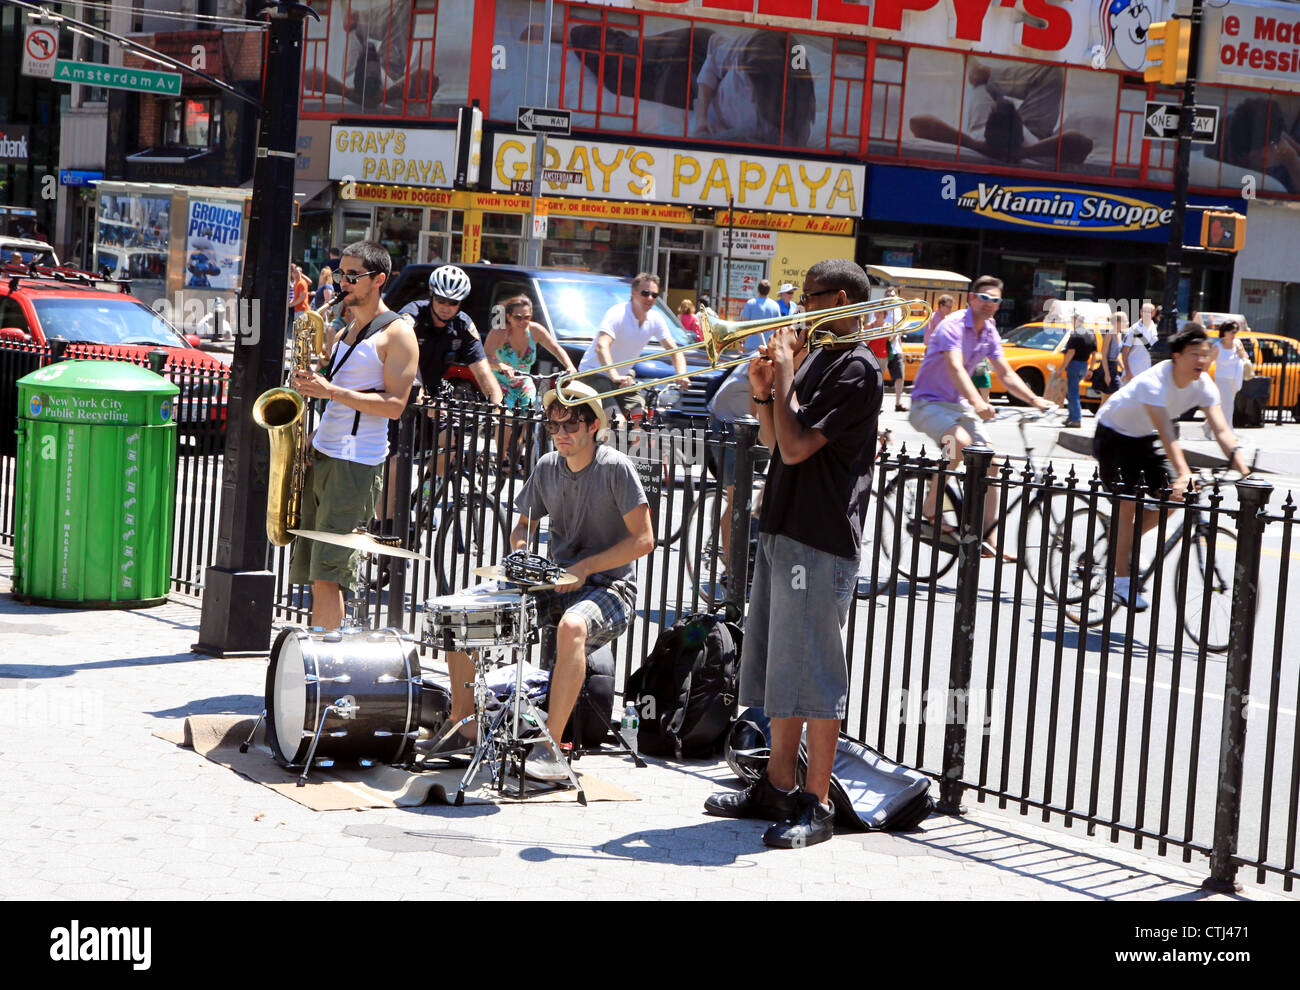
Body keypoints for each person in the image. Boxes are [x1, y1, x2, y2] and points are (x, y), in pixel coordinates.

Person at [702, 259, 881, 849]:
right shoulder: (815, 360)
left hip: (820, 537)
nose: (800, 310)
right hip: (783, 527)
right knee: (781, 666)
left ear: (842, 302)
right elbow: (777, 440)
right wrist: (761, 394)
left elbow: (802, 447)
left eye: (811, 298)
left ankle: (817, 802)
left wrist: (783, 376)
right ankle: (777, 784)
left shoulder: (856, 367)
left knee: (815, 673)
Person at [432, 382, 654, 780]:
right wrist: (522, 555)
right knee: (464, 610)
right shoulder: (548, 466)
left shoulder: (615, 467)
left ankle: (551, 747)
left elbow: (644, 540)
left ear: (593, 426)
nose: (561, 433)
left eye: (571, 424)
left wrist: (585, 568)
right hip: (553, 583)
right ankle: (462, 725)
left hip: (610, 588)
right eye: (554, 426)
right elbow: (522, 527)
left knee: (571, 627)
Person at [287, 241, 419, 629]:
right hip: (324, 453)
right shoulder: (345, 328)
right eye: (341, 273)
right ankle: (316, 653)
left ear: (378, 280)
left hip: (355, 462)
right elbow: (340, 389)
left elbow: (395, 405)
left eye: (353, 276)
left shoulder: (397, 334)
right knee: (315, 573)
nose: (343, 282)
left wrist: (330, 391)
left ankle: (325, 667)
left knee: (330, 574)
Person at [1093, 325, 1251, 610]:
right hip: (1114, 436)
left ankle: (1122, 544)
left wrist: (1245, 471)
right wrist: (1185, 473)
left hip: (1143, 439)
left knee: (1176, 498)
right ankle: (1121, 582)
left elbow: (1222, 431)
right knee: (1128, 504)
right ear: (1176, 356)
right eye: (1194, 355)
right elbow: (1167, 434)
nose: (1201, 361)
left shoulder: (1204, 384)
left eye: (1204, 355)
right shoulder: (1155, 381)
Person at [908, 276, 1053, 559]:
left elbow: (1006, 373)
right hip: (928, 404)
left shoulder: (988, 330)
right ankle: (930, 509)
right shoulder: (952, 326)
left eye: (995, 300)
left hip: (958, 405)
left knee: (992, 462)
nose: (989, 304)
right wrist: (978, 402)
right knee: (959, 443)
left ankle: (987, 537)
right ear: (972, 298)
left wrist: (1035, 401)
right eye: (984, 298)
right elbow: (955, 368)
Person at [384, 265, 503, 521]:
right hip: (399, 388)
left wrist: (497, 403)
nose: (446, 306)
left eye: (453, 302)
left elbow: (482, 371)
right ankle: (387, 523)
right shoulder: (412, 315)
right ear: (431, 294)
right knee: (395, 459)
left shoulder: (463, 325)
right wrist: (420, 394)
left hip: (435, 393)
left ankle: (424, 501)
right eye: (441, 299)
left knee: (451, 443)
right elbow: (405, 357)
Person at [908, 60, 1094, 165]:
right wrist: (1024, 152)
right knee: (1053, 73)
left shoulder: (980, 135)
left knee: (981, 85)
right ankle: (986, 76)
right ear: (1019, 124)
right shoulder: (1037, 151)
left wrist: (975, 145)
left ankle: (984, 76)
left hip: (981, 134)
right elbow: (1083, 144)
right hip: (1033, 138)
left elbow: (916, 123)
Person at [576, 273, 686, 428]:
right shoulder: (618, 313)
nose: (650, 298)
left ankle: (628, 451)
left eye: (654, 295)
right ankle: (604, 450)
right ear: (633, 293)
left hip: (622, 378)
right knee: (617, 424)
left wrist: (682, 374)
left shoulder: (655, 319)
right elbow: (602, 345)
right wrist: (613, 374)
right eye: (645, 293)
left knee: (641, 422)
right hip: (595, 374)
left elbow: (675, 350)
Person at [483, 294, 577, 470]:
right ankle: (501, 457)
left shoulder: (535, 331)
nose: (523, 321)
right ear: (509, 317)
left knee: (532, 412)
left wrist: (570, 366)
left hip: (523, 380)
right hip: (500, 381)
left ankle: (518, 446)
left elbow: (556, 349)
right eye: (518, 317)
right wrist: (501, 365)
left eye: (527, 317)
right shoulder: (500, 332)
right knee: (507, 417)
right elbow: (484, 358)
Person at [1051, 313, 1096, 428]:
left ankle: (1076, 419)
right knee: (1072, 392)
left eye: (1072, 320)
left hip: (1074, 365)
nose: (1071, 322)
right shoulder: (1091, 334)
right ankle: (1071, 417)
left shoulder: (1075, 334)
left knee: (1073, 393)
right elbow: (1094, 354)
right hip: (1084, 366)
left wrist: (1061, 368)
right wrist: (1091, 369)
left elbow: (1071, 352)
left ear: (1076, 321)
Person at [1206, 321, 1250, 435]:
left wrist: (1240, 351)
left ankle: (1208, 425)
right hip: (1222, 379)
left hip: (1235, 378)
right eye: (1232, 332)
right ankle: (1227, 431)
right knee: (1228, 404)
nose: (1234, 334)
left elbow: (1245, 356)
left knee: (1224, 404)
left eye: (1236, 332)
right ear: (1224, 332)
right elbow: (1208, 361)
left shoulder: (1237, 343)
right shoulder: (1218, 346)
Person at [1095, 311, 1126, 409]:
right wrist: (1107, 374)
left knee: (1114, 397)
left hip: (1114, 368)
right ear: (1118, 322)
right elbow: (1104, 356)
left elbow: (1116, 355)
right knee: (1105, 400)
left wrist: (1124, 367)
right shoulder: (1110, 335)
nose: (1126, 323)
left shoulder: (1119, 334)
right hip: (1107, 367)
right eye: (1125, 321)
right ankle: (1099, 421)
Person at [1123, 302, 1158, 379]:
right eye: (1144, 311)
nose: (1146, 314)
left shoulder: (1155, 328)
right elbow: (1125, 351)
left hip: (1148, 373)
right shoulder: (1134, 329)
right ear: (1141, 312)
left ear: (1153, 313)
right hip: (1133, 373)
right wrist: (1127, 371)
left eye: (1149, 312)